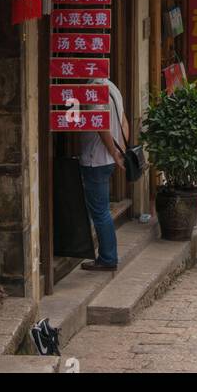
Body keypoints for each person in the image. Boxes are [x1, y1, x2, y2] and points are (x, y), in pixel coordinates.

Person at [76, 77, 130, 271]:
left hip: (95, 159)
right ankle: (107, 256)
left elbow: (100, 125)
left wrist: (114, 152)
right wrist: (120, 150)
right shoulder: (112, 86)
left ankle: (108, 258)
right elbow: (123, 120)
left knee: (100, 212)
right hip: (106, 160)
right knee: (101, 210)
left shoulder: (93, 89)